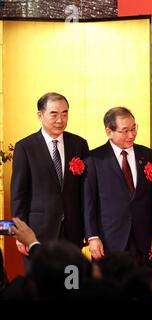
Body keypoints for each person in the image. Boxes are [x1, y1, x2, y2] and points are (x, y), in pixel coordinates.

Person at [11, 92, 89, 261]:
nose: (60, 120)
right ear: (40, 115)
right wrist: (20, 233)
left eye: (65, 113)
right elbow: (18, 194)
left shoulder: (79, 144)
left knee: (72, 281)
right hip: (37, 232)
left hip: (73, 230)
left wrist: (88, 230)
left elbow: (85, 191)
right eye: (54, 114)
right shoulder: (25, 147)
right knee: (40, 283)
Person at [83, 107, 152, 265]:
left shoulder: (147, 155)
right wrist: (92, 237)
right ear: (109, 131)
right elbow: (88, 203)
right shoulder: (94, 160)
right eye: (125, 131)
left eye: (134, 128)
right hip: (109, 241)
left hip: (143, 240)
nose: (131, 135)